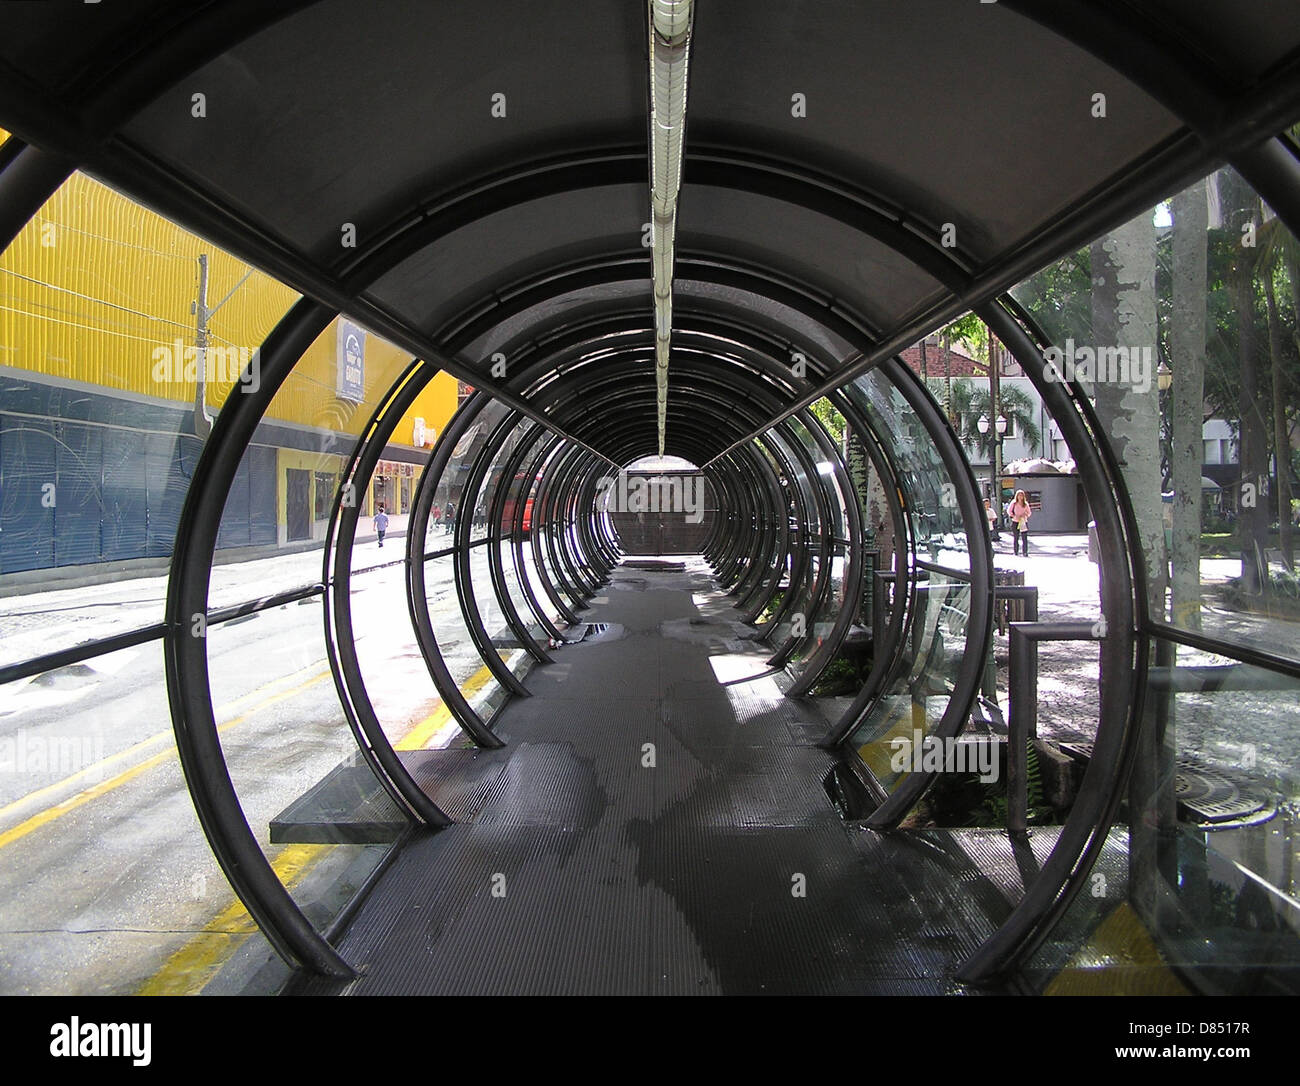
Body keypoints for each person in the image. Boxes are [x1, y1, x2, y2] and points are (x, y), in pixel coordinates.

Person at [1007, 489, 1033, 556]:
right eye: (1019, 495)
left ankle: (1025, 552)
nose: (1020, 496)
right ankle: (1016, 551)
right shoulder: (1014, 503)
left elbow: (1029, 513)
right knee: (1016, 537)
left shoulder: (1025, 504)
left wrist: (1025, 515)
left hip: (1023, 521)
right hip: (1015, 521)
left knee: (1024, 537)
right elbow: (1009, 511)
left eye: (1022, 495)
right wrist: (1014, 516)